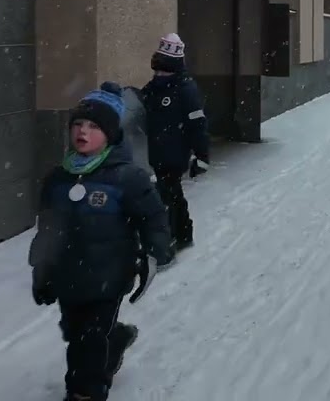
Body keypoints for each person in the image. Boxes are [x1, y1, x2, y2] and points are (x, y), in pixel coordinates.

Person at [29, 82, 173, 401]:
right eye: (78, 124)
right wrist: (41, 269)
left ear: (110, 134)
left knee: (88, 343)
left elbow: (153, 217)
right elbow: (47, 229)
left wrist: (154, 254)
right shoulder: (57, 179)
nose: (83, 131)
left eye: (94, 126)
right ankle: (116, 340)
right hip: (69, 276)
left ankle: (85, 392)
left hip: (109, 276)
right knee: (74, 332)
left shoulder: (126, 177)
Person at [141, 33, 210, 255]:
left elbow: (198, 124)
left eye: (165, 69)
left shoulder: (185, 89)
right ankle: (181, 232)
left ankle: (176, 235)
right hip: (156, 151)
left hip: (174, 152)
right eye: (157, 69)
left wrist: (201, 156)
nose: (160, 74)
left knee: (168, 194)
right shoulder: (153, 88)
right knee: (170, 193)